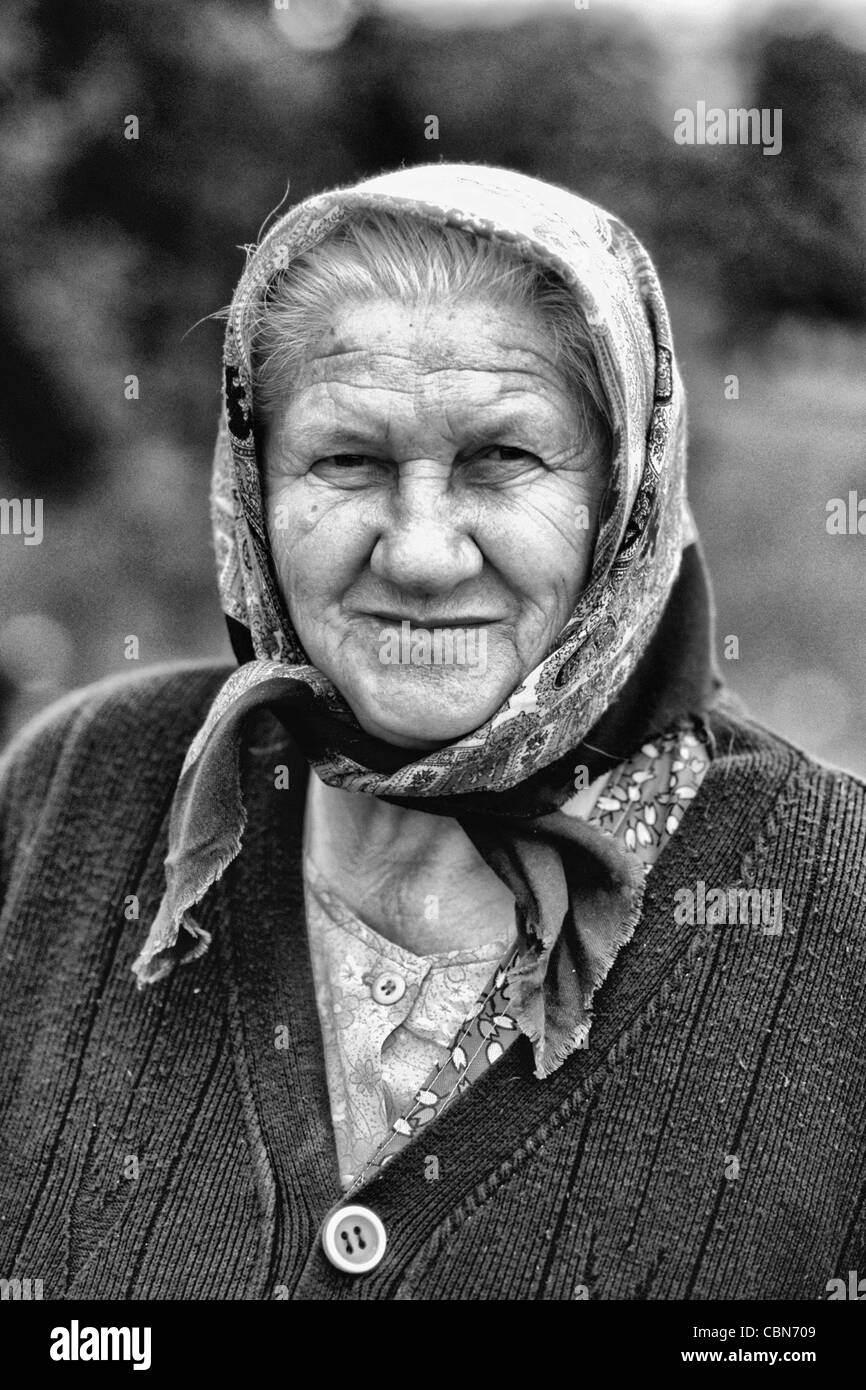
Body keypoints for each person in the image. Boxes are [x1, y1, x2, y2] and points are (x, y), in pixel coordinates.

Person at [0, 163, 863, 1301]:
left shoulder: (836, 912)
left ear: (624, 497)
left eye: (500, 459)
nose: (417, 553)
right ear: (254, 491)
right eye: (346, 460)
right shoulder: (78, 785)